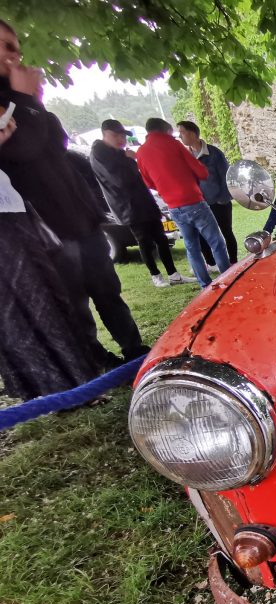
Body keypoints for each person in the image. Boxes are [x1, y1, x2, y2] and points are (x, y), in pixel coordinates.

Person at [0, 19, 149, 367]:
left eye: (15, 45)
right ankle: (93, 360)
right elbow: (23, 150)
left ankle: (133, 349)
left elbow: (54, 142)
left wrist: (31, 101)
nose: (14, 54)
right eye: (4, 45)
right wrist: (24, 98)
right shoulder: (11, 103)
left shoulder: (25, 104)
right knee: (73, 301)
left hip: (80, 218)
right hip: (47, 227)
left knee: (108, 290)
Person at [0, 108, 103, 399]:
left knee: (48, 300)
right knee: (23, 310)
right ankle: (51, 386)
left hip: (15, 217)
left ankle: (74, 380)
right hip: (7, 233)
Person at [90, 119, 196, 287]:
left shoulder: (119, 153)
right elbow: (120, 181)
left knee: (161, 239)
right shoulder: (99, 153)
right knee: (144, 241)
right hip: (129, 207)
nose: (120, 139)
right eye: (115, 135)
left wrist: (154, 205)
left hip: (144, 202)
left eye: (122, 135)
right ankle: (156, 276)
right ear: (105, 134)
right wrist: (131, 160)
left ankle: (173, 274)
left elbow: (139, 181)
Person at [134, 118, 230, 288]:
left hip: (173, 206)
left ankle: (205, 285)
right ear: (166, 131)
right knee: (216, 242)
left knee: (192, 246)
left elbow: (148, 183)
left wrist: (166, 188)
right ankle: (229, 278)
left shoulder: (141, 152)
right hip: (193, 201)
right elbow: (201, 172)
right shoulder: (174, 145)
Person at [176, 120, 238, 264]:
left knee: (226, 231)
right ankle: (211, 263)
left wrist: (223, 199)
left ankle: (234, 261)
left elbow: (226, 177)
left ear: (192, 133)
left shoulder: (214, 153)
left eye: (182, 132)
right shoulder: (185, 156)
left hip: (219, 202)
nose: (180, 136)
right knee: (202, 235)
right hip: (198, 203)